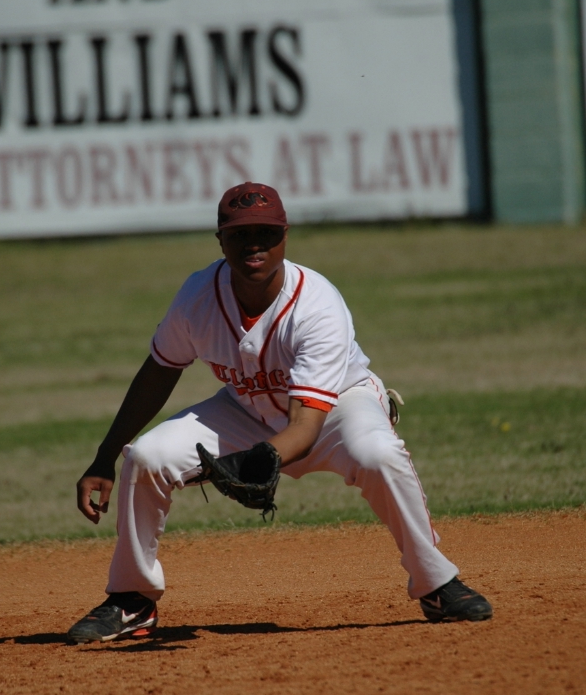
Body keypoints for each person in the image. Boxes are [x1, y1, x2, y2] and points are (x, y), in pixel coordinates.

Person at [68, 183, 492, 643]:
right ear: (220, 239)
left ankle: (435, 583)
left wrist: (261, 457)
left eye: (267, 234)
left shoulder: (317, 305)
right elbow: (158, 371)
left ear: (285, 236)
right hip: (245, 410)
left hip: (336, 409)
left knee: (377, 453)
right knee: (147, 457)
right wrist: (105, 456)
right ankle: (132, 599)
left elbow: (305, 427)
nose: (255, 245)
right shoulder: (197, 297)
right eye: (241, 234)